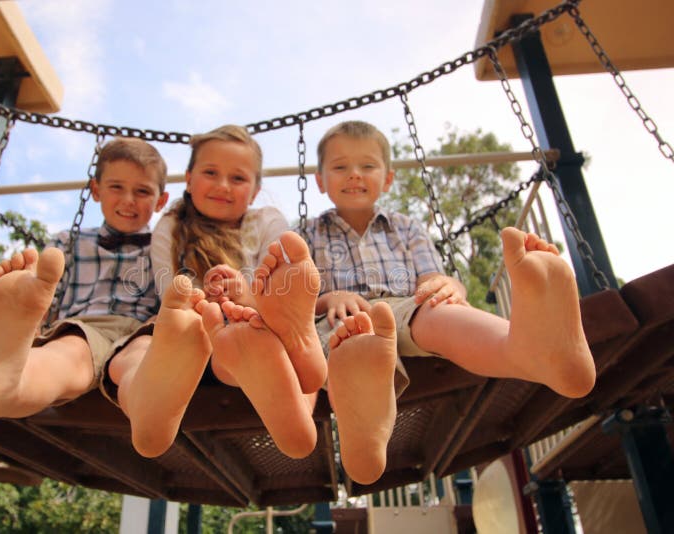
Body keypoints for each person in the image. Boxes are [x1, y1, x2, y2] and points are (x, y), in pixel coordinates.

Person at [302, 120, 597, 484]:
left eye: (367, 166)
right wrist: (329, 296)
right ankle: (365, 423)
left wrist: (449, 285)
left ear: (388, 178)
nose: (354, 175)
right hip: (343, 317)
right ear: (319, 181)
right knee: (342, 344)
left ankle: (526, 348)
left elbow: (431, 279)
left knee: (440, 312)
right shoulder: (307, 233)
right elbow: (296, 298)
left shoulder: (406, 227)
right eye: (340, 166)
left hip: (405, 305)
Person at [0, 137, 186, 458]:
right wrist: (32, 327)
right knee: (64, 359)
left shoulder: (166, 245)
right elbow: (49, 299)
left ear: (160, 200)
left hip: (141, 330)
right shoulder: (68, 241)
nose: (129, 200)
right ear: (96, 191)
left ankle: (150, 410)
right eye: (116, 187)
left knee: (139, 360)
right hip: (84, 327)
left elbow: (172, 293)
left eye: (142, 191)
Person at [145, 124, 327, 459]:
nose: (223, 186)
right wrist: (207, 302)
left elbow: (285, 279)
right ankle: (291, 396)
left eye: (238, 178)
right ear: (188, 178)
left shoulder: (266, 220)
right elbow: (169, 292)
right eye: (211, 172)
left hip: (264, 317)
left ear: (255, 190)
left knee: (276, 325)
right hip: (206, 335)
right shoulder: (172, 228)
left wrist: (247, 296)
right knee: (225, 341)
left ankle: (291, 372)